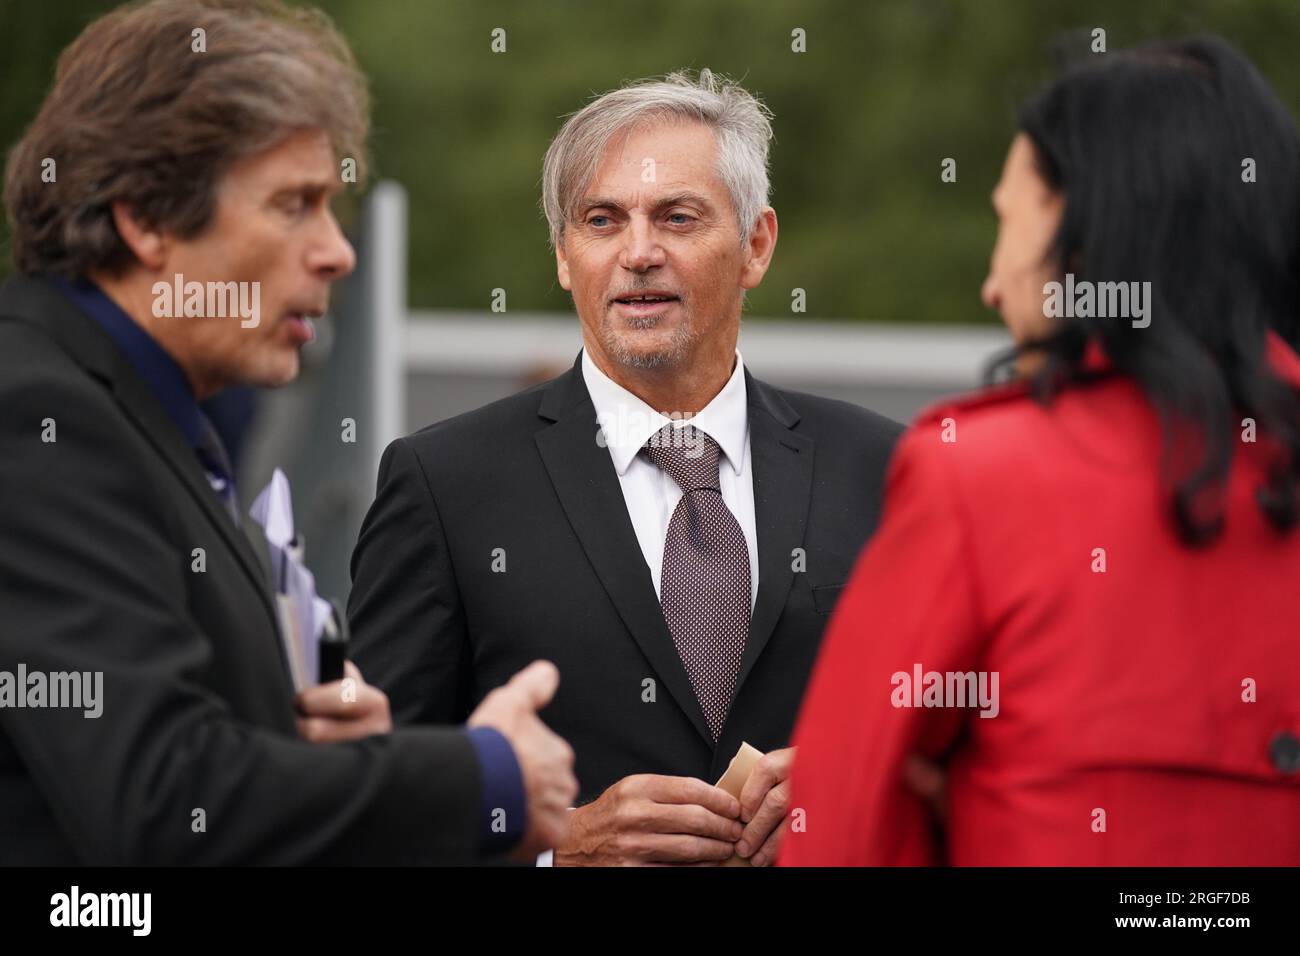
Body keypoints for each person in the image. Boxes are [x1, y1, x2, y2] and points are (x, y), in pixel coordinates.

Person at [0, 0, 575, 865]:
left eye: (330, 206)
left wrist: (349, 759)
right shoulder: (43, 416)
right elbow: (160, 800)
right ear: (147, 220)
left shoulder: (135, 412)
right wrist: (478, 775)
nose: (336, 251)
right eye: (294, 204)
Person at [348, 69, 903, 866]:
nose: (639, 253)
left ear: (756, 244)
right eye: (602, 221)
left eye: (678, 217)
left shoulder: (882, 470)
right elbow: (363, 807)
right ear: (566, 256)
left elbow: (973, 751)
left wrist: (861, 790)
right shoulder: (445, 485)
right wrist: (555, 847)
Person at [781, 36, 1300, 866]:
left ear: (1087, 237)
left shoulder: (976, 478)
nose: (993, 284)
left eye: (1008, 226)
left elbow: (840, 827)